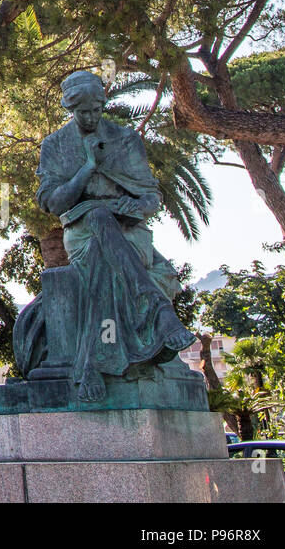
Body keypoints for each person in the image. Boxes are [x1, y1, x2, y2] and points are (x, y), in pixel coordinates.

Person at [33, 69, 195, 402]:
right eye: (83, 112)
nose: (91, 117)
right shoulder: (55, 145)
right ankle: (158, 312)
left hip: (129, 232)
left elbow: (152, 197)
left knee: (102, 250)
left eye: (96, 110)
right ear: (71, 109)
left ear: (103, 105)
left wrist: (131, 205)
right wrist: (88, 168)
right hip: (79, 232)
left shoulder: (125, 140)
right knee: (96, 216)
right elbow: (53, 202)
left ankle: (91, 364)